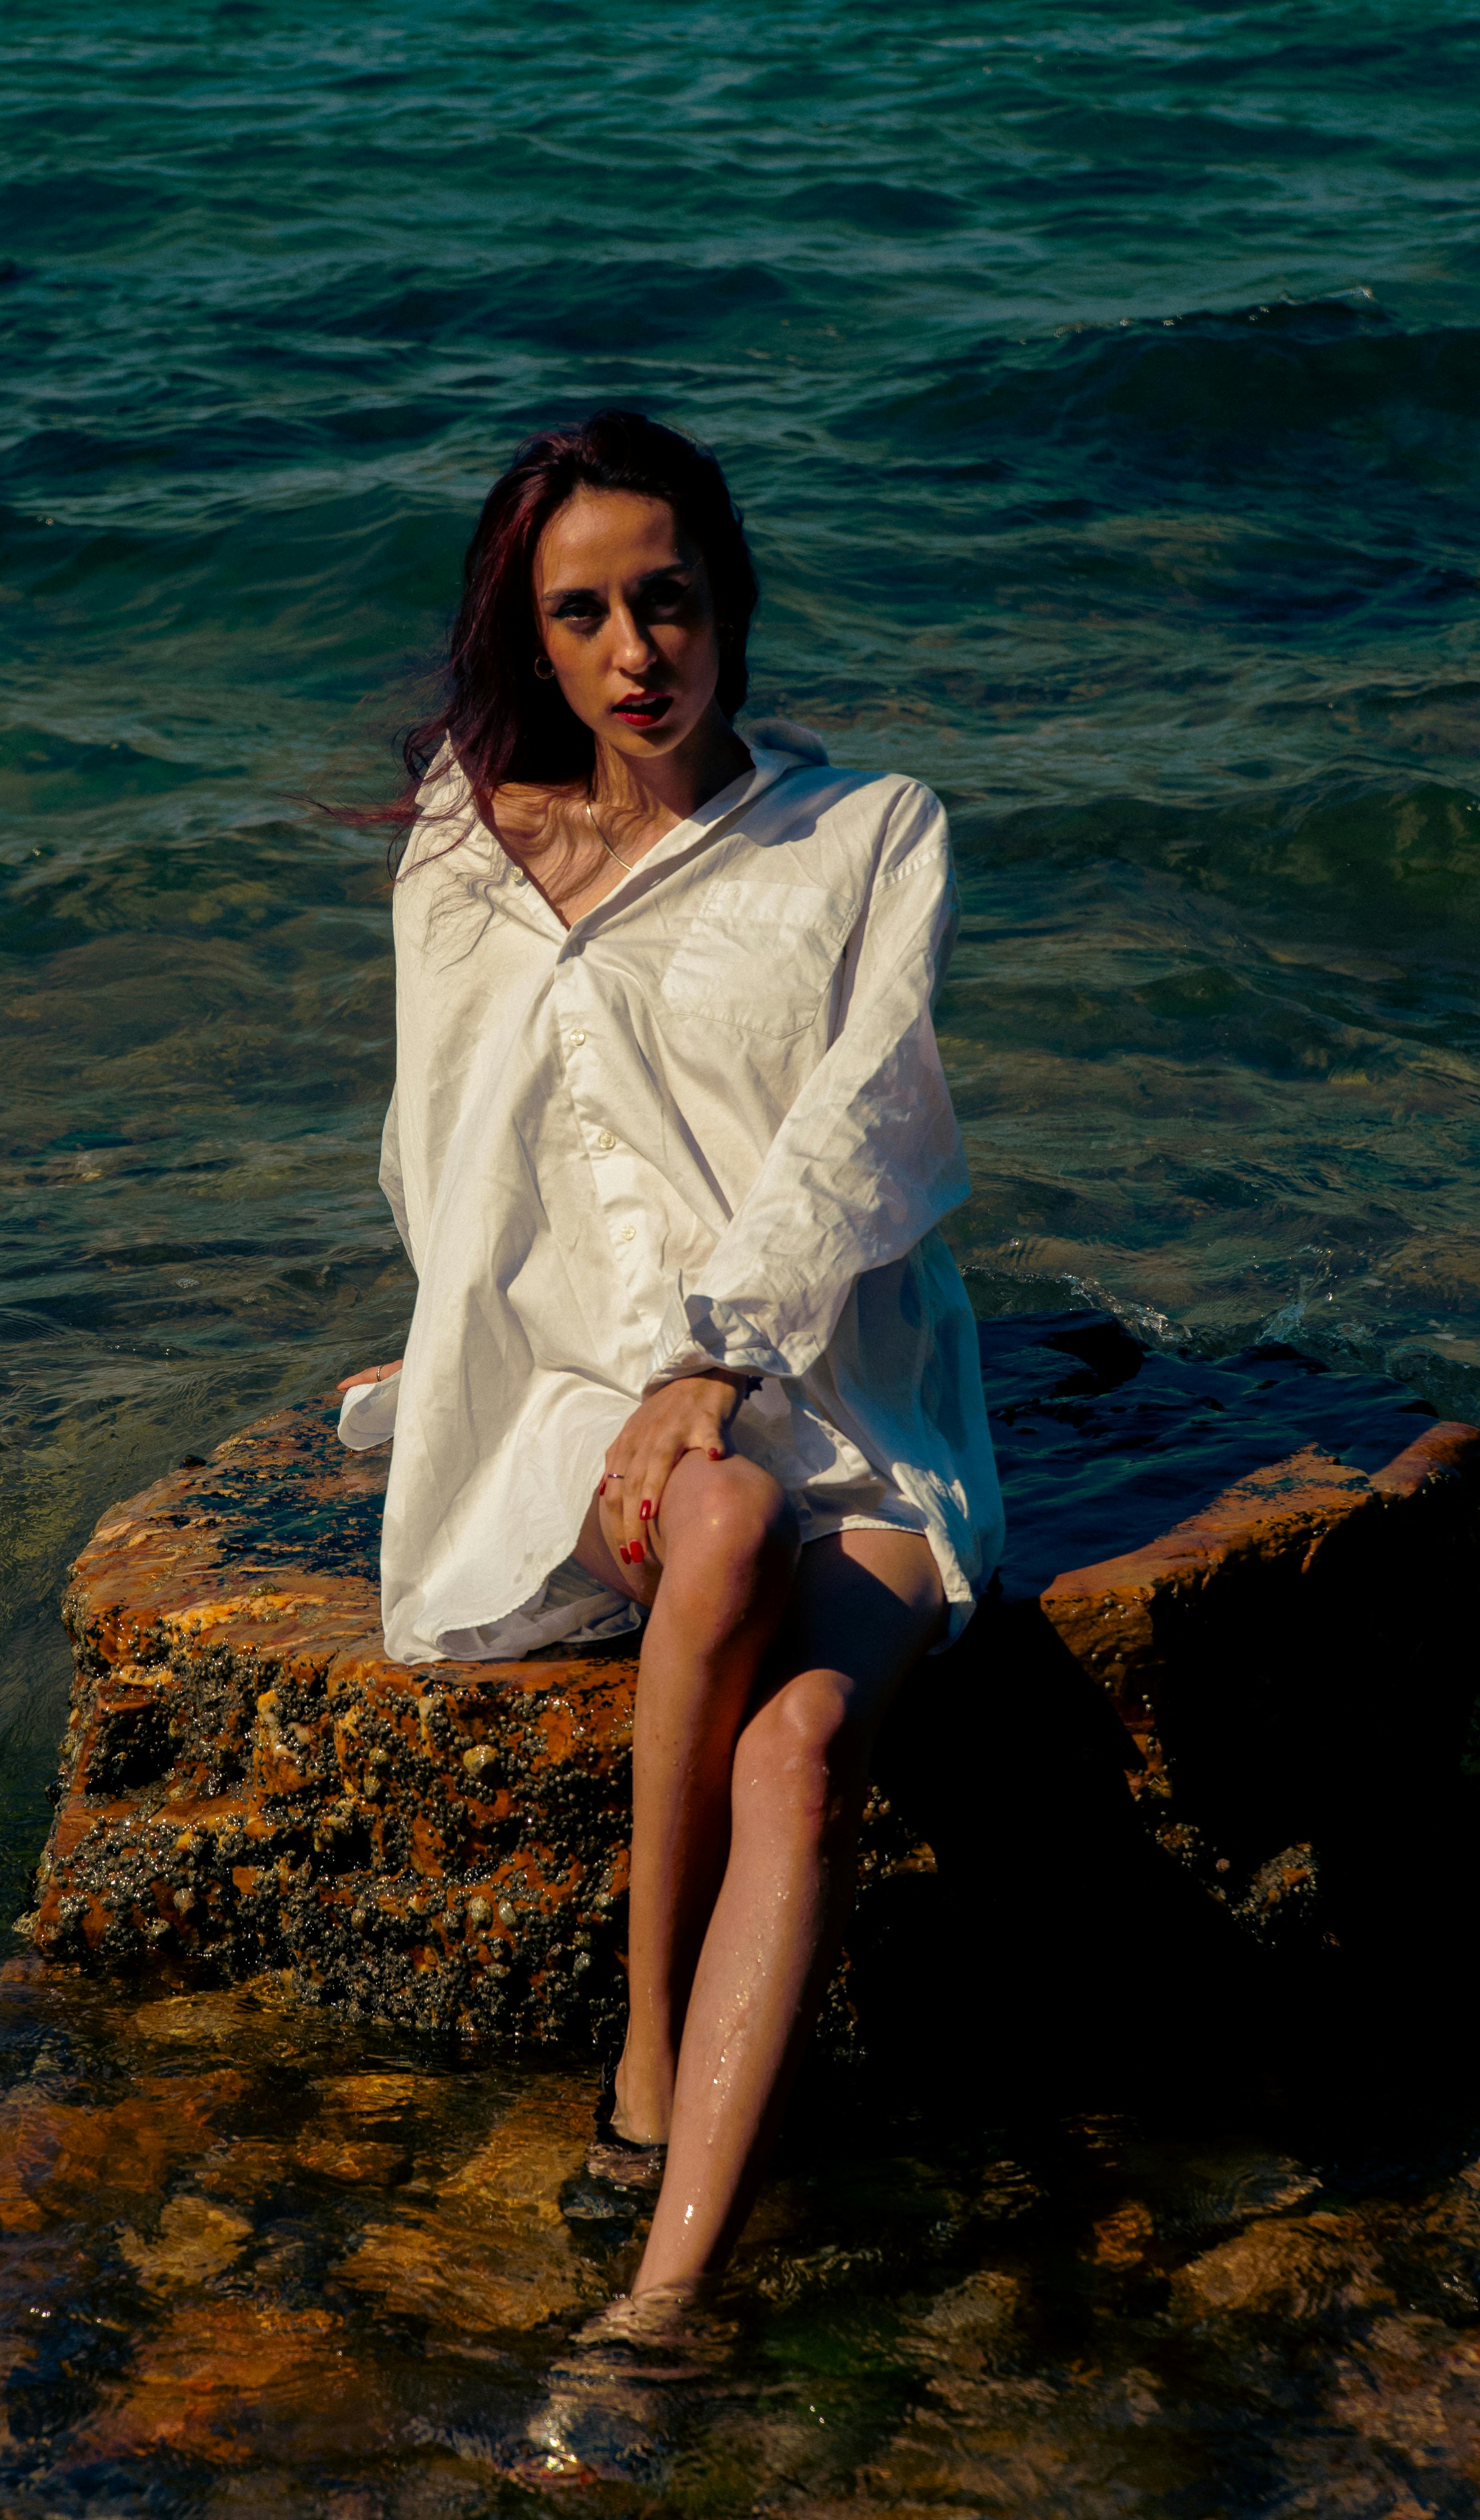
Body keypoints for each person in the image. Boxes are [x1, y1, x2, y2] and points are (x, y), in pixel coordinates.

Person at [334, 409, 1003, 2330]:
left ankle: (657, 2288)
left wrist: (714, 1357)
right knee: (706, 1522)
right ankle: (639, 2058)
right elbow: (440, 1123)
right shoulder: (467, 844)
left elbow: (865, 1132)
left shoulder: (866, 832)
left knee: (799, 1741)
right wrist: (454, 1319)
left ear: (729, 606)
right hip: (571, 1412)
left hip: (847, 1406)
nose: (638, 652)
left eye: (669, 601)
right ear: (523, 638)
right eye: (584, 615)